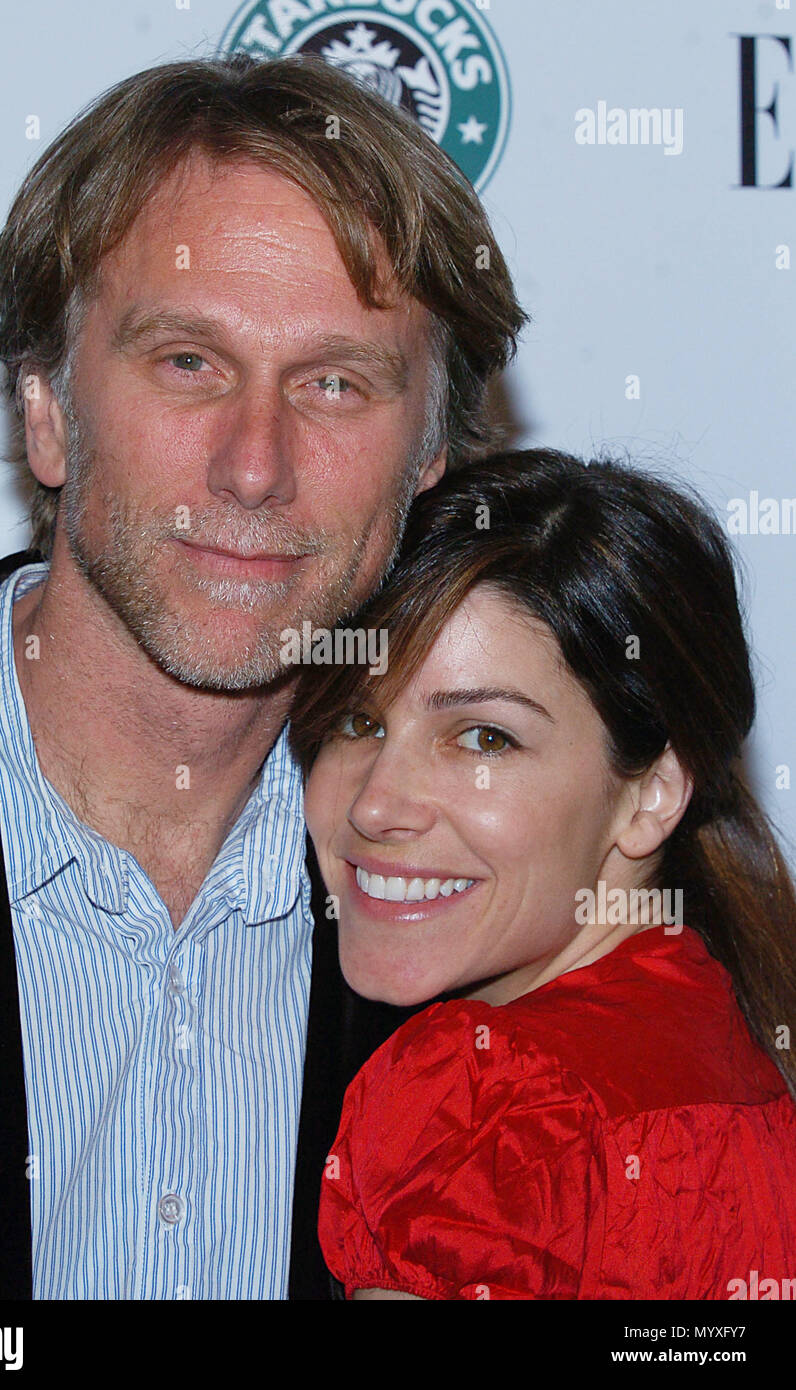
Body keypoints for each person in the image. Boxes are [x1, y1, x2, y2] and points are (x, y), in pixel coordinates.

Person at [0, 54, 526, 1300]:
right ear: (48, 411)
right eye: (188, 362)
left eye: (336, 381)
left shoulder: (497, 898)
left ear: (431, 450)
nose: (253, 467)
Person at [292, 448, 796, 1300]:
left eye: (485, 738)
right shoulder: (743, 1061)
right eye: (356, 720)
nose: (378, 805)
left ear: (653, 792)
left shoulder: (483, 1098)